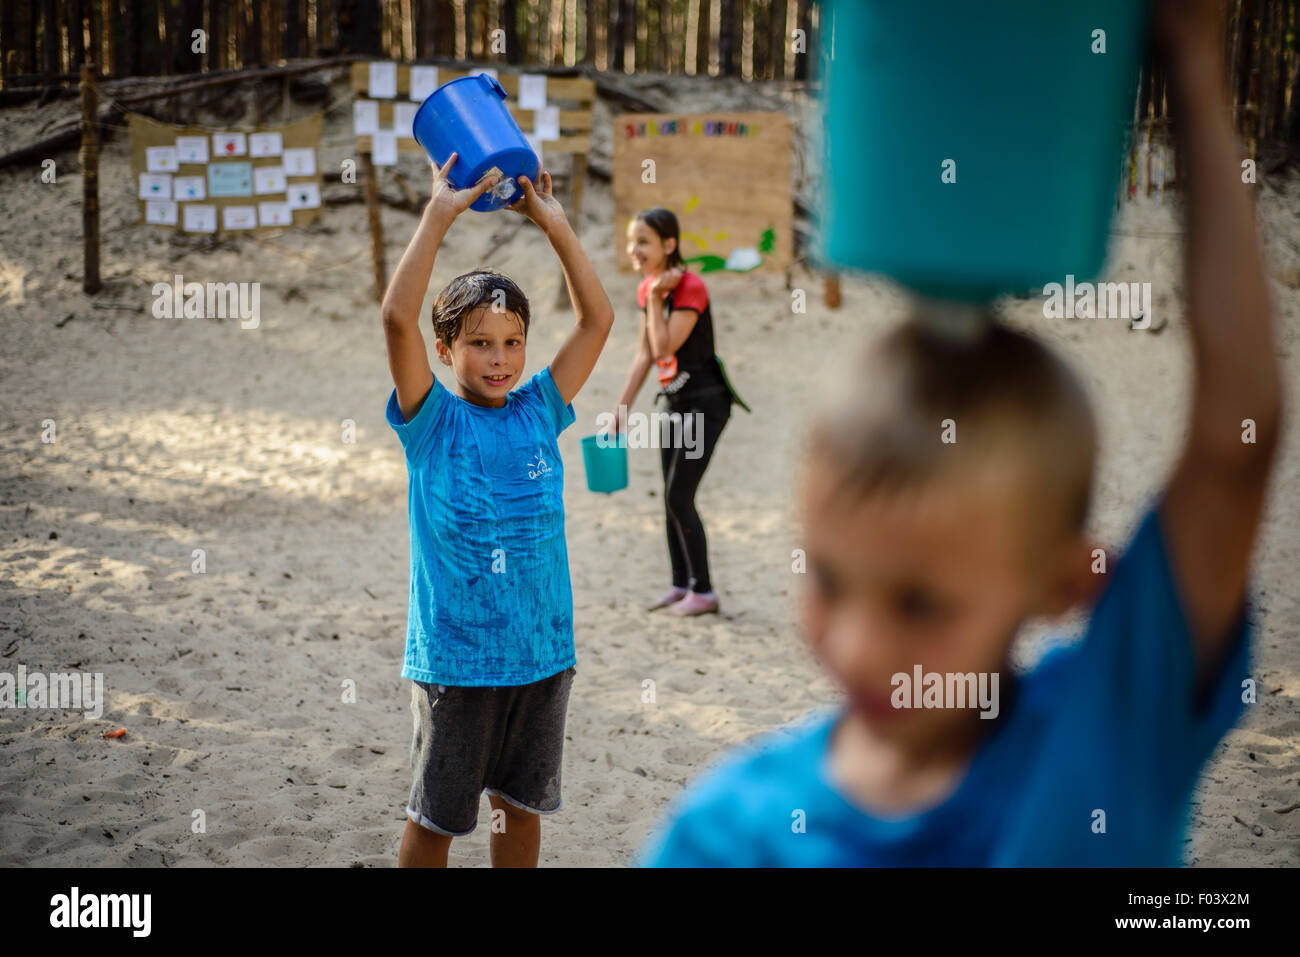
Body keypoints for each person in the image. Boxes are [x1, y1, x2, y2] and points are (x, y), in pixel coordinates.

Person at [641, 0, 1282, 865]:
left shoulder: (1105, 735)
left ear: (1065, 581)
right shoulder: (723, 834)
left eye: (922, 602)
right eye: (827, 577)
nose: (861, 647)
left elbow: (1237, 448)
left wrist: (1194, 67)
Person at [382, 154, 614, 867]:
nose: (500, 358)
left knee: (521, 809)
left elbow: (598, 319)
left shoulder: (540, 407)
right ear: (447, 349)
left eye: (512, 342)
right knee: (437, 818)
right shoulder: (433, 424)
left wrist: (556, 226)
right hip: (458, 659)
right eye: (480, 343)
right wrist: (440, 213)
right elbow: (396, 318)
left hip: (542, 653)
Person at [613, 207, 750, 617]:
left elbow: (664, 348)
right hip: (674, 402)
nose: (634, 249)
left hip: (706, 404)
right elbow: (643, 356)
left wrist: (656, 299)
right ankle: (680, 584)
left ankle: (704, 592)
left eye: (643, 242)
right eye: (631, 241)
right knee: (669, 498)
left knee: (679, 495)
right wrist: (621, 407)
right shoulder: (647, 288)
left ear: (669, 245)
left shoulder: (691, 287)